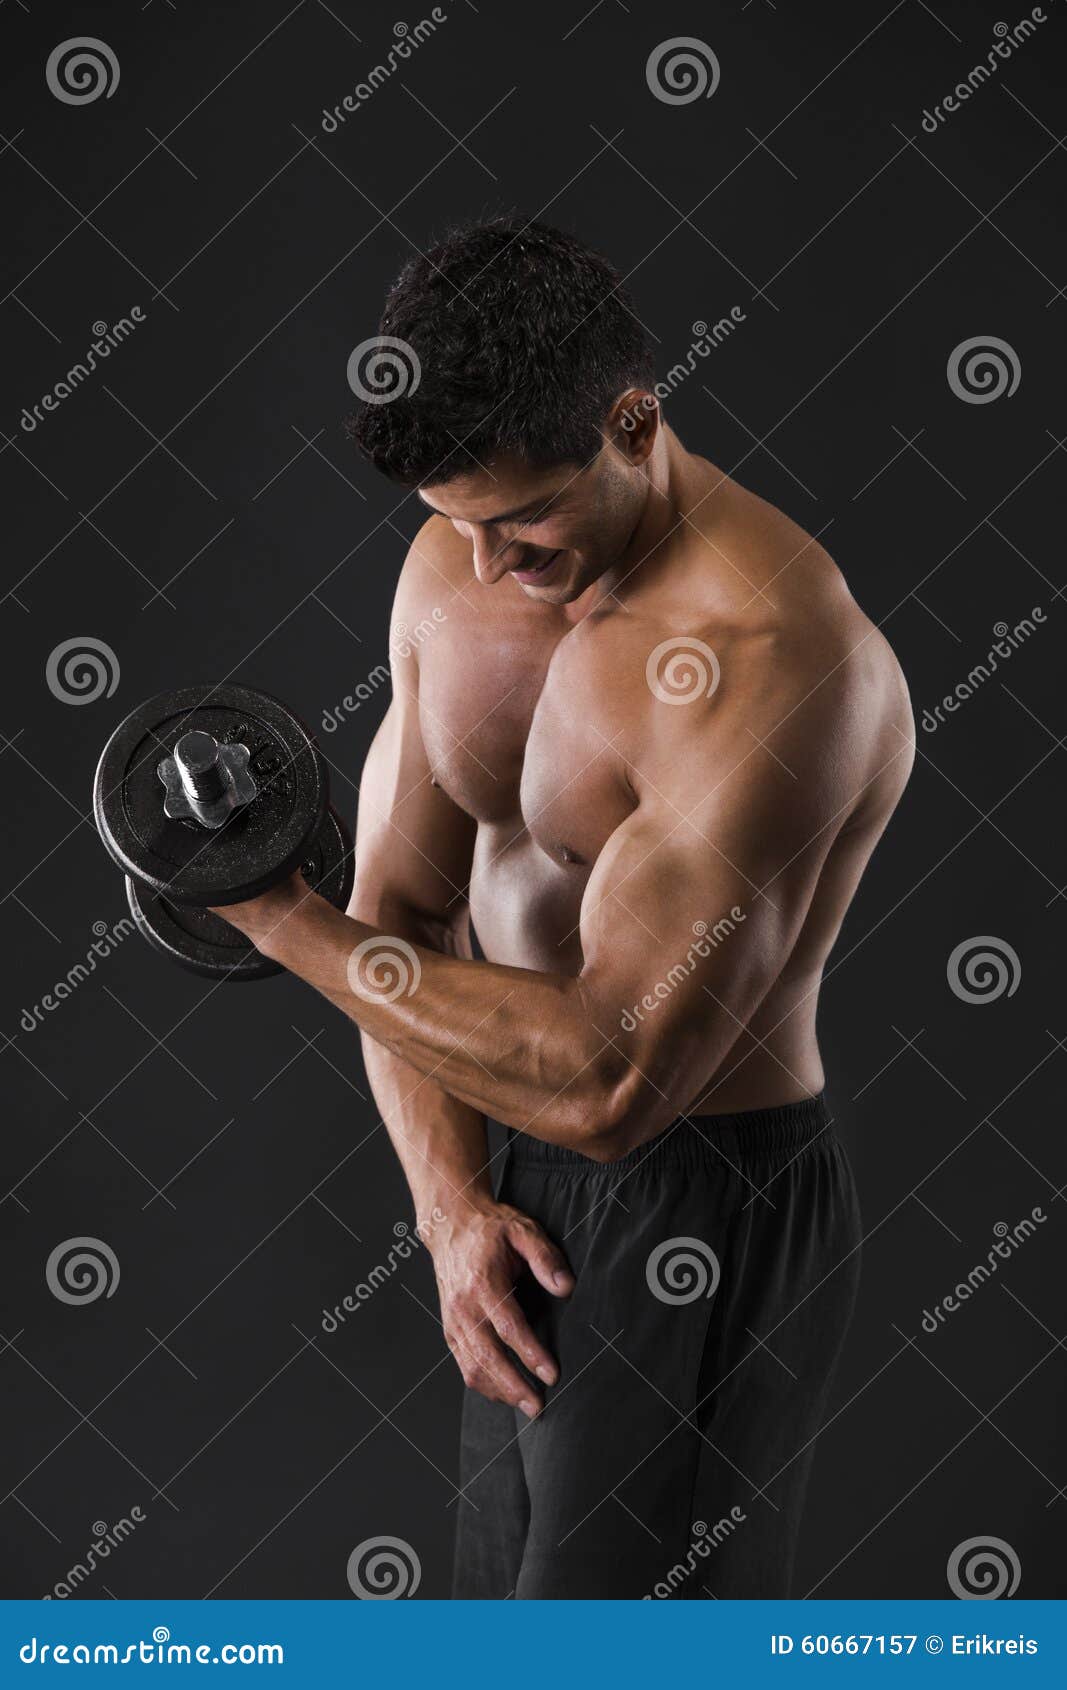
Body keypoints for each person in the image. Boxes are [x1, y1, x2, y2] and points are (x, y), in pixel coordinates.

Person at [215, 218, 914, 1598]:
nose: (482, 567)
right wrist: (452, 1204)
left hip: (693, 1197)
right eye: (453, 524)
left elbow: (610, 1077)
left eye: (521, 522)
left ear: (633, 419)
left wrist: (273, 921)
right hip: (505, 1176)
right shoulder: (458, 568)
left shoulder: (766, 654)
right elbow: (403, 910)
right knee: (503, 1627)